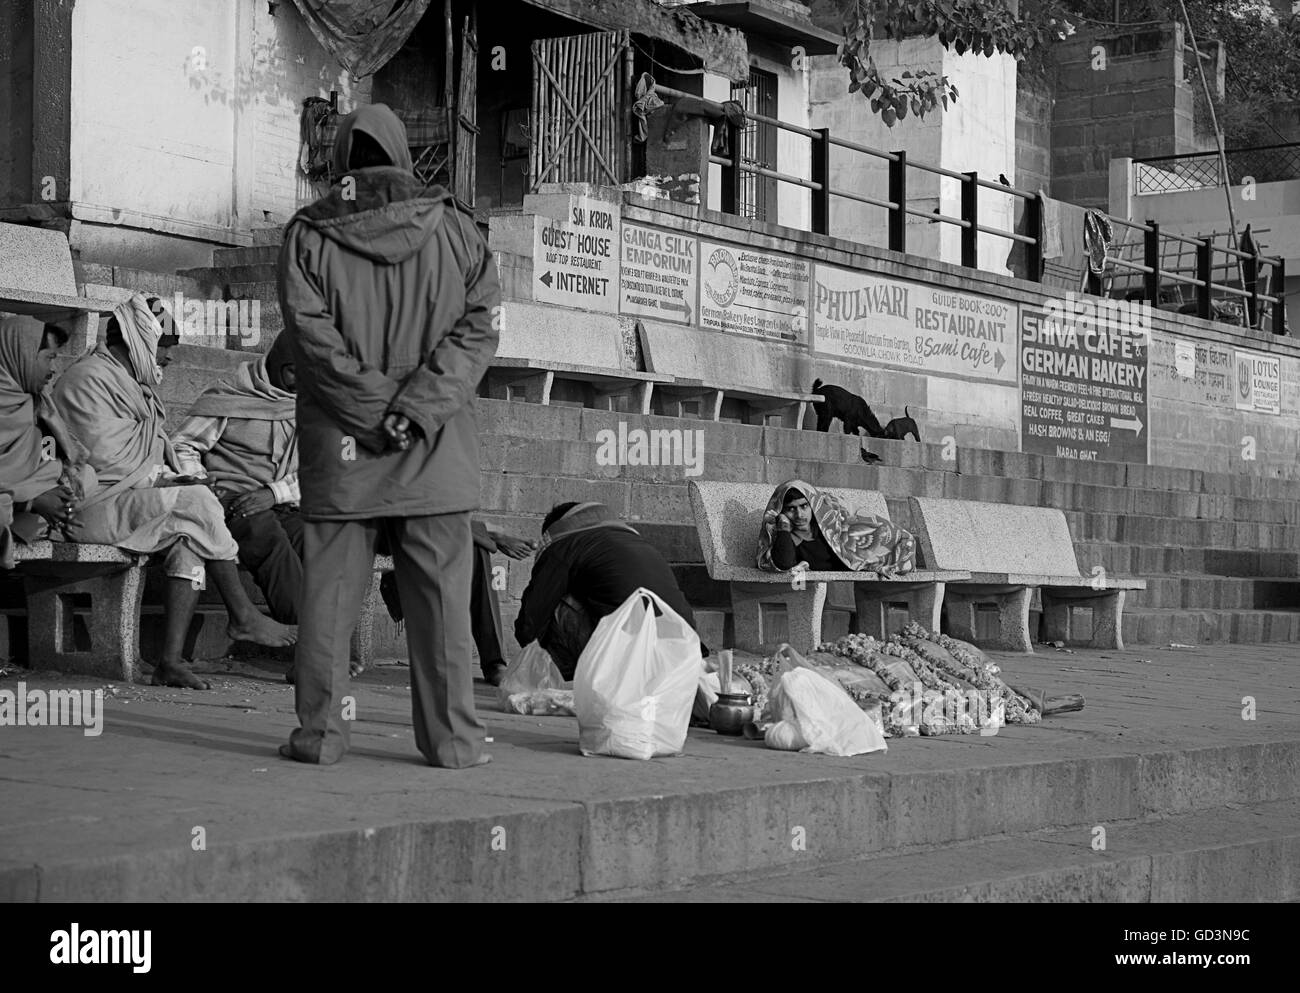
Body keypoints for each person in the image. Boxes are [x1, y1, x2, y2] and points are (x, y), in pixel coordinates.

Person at [277, 103, 499, 769]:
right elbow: (482, 326)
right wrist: (413, 409)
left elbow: (312, 344)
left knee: (328, 605)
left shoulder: (307, 235)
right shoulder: (458, 230)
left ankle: (320, 736)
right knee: (440, 609)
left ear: (343, 159)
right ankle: (454, 742)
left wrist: (375, 412)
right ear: (402, 154)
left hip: (346, 450)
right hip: (432, 449)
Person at [51, 294, 297, 689]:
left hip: (127, 502)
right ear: (137, 341)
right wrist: (176, 483)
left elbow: (143, 458)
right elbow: (106, 462)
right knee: (197, 503)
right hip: (91, 508)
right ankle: (243, 615)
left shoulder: (133, 383)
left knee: (191, 537)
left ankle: (170, 661)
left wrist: (180, 479)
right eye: (164, 347)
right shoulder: (88, 380)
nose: (168, 359)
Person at [171, 333, 302, 624]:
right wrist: (201, 486)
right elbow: (183, 444)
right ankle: (309, 641)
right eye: (294, 371)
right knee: (267, 536)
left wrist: (273, 494)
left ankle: (325, 639)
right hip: (231, 502)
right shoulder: (232, 395)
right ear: (277, 364)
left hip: (282, 502)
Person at [514, 502, 704, 681]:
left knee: (553, 601)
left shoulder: (563, 544)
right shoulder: (636, 543)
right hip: (682, 654)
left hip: (625, 657)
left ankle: (572, 680)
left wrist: (529, 661)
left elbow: (531, 618)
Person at [377, 519, 536, 686]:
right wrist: (489, 532)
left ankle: (494, 662)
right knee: (466, 537)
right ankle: (487, 533)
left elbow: (443, 518)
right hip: (398, 545)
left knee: (475, 547)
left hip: (435, 545)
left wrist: (480, 532)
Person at [0, 317, 87, 556]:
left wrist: (58, 499)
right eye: (49, 358)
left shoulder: (38, 407)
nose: (53, 370)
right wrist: (32, 501)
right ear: (22, 355)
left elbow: (49, 461)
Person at [756, 479, 917, 577]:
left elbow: (867, 537)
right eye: (791, 509)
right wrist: (784, 526)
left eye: (804, 506)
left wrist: (872, 562)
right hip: (821, 577)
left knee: (904, 542)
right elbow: (784, 563)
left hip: (863, 558)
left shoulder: (828, 521)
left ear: (812, 505)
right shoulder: (784, 534)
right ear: (781, 511)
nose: (799, 515)